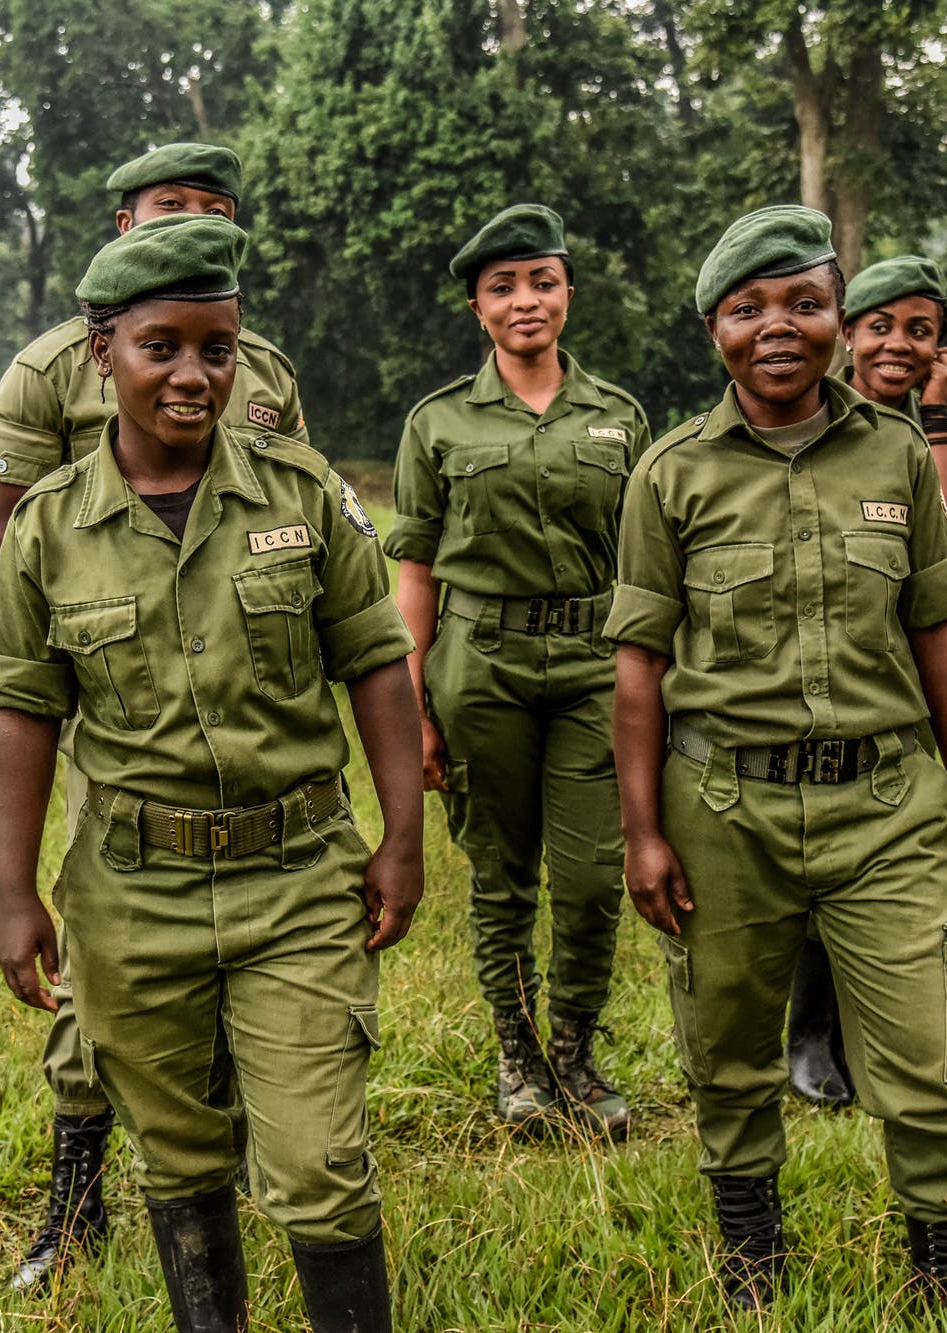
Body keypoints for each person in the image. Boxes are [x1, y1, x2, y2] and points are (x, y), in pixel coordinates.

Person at [0, 214, 424, 1331]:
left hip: (297, 877)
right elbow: (23, 712)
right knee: (176, 1157)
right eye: (161, 347)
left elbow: (375, 662)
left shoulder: (301, 493)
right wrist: (14, 892)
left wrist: (402, 836)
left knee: (318, 1163)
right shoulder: (47, 528)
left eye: (216, 349)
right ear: (103, 354)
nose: (192, 375)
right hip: (134, 895)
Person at [608, 205, 947, 1323]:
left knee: (932, 1054)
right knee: (727, 1046)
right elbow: (638, 665)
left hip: (884, 801)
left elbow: (938, 628)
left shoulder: (897, 451)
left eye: (804, 302)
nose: (777, 327)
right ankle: (751, 1258)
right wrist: (642, 832)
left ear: (839, 316)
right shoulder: (670, 473)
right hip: (722, 806)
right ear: (714, 331)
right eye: (747, 309)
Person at [0, 141, 311, 1291]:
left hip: (241, 695)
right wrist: (112, 577)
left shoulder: (259, 367)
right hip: (113, 702)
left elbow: (293, 523)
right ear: (123, 222)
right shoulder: (51, 365)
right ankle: (74, 1195)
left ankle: (242, 1155)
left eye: (213, 208)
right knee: (105, 949)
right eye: (170, 206)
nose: (191, 223)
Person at [384, 203, 651, 1137]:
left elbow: (643, 564)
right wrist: (414, 708)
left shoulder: (618, 416)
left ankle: (573, 1051)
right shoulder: (437, 422)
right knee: (500, 873)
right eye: (503, 287)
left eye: (543, 281)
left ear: (569, 292)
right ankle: (518, 1052)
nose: (525, 300)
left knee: (591, 876)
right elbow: (415, 571)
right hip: (480, 663)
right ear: (478, 309)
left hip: (592, 663)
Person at [782, 254, 947, 1109]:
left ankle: (887, 1026)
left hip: (913, 665)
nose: (899, 344)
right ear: (846, 334)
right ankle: (811, 1034)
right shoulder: (809, 412)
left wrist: (935, 419)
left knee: (901, 846)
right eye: (880, 326)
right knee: (820, 855)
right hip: (830, 661)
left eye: (921, 330)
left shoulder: (938, 425)